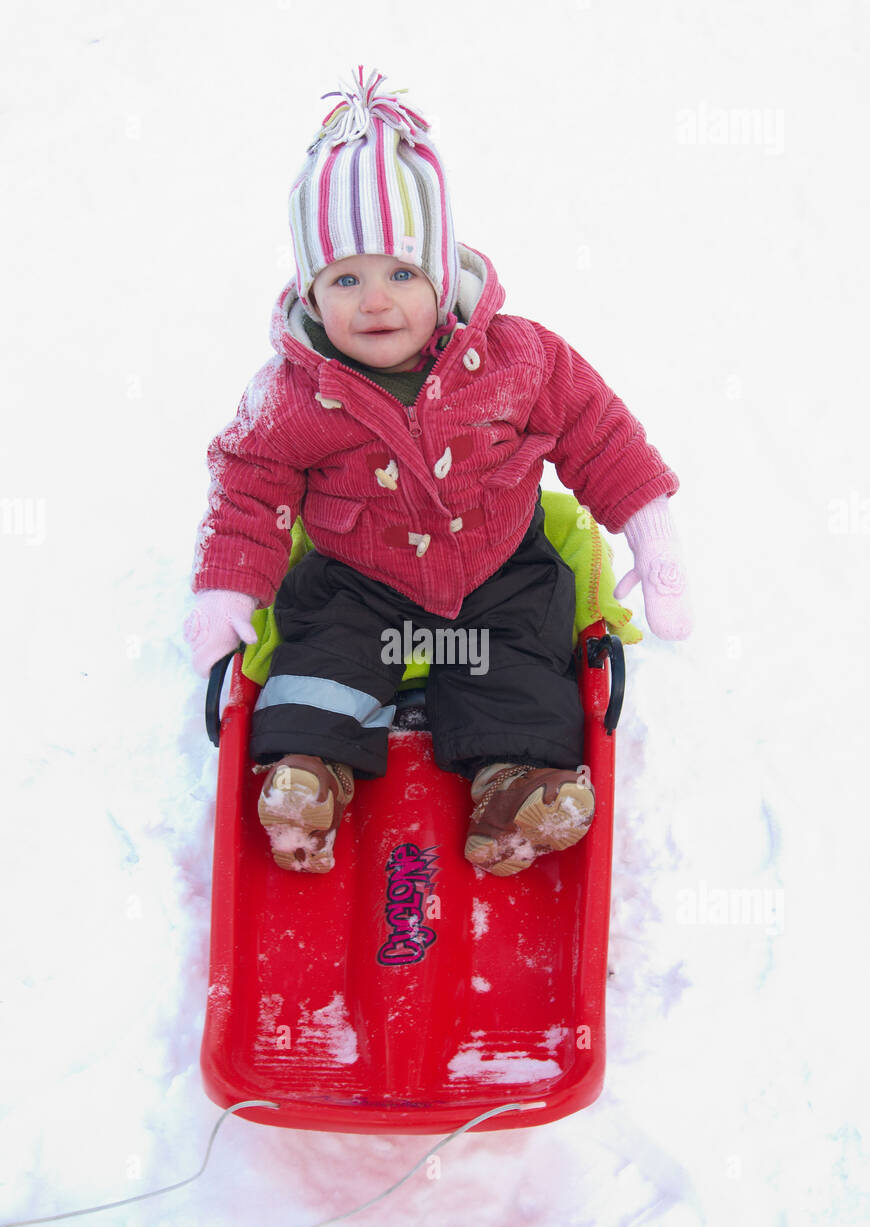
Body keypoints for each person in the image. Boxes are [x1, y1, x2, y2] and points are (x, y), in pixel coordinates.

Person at [185, 67, 692, 878]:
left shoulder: (517, 357)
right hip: (363, 578)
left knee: (521, 653)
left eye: (401, 274)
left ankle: (517, 785)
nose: (375, 302)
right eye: (345, 279)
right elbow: (248, 484)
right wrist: (227, 586)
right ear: (312, 293)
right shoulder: (292, 391)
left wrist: (653, 538)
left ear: (439, 273)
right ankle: (309, 778)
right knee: (322, 652)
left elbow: (601, 433)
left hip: (498, 566)